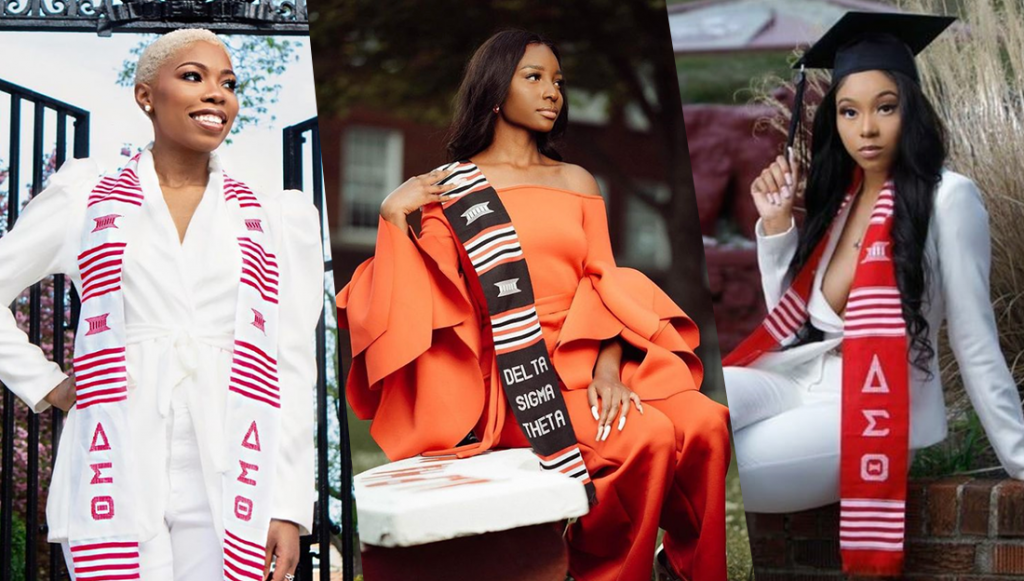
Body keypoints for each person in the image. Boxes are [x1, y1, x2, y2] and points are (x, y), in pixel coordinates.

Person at [338, 29, 730, 581]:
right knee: (648, 435)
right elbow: (426, 295)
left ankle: (690, 569)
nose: (553, 92)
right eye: (535, 77)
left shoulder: (577, 181)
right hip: (520, 381)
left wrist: (609, 368)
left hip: (594, 359)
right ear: (496, 90)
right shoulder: (452, 190)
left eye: (558, 82)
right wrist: (391, 215)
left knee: (708, 421)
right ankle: (605, 571)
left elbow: (605, 285)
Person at [0, 29, 323, 580]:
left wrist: (289, 506)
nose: (216, 94)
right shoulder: (87, 196)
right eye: (193, 77)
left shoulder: (272, 217)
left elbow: (291, 363)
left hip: (233, 455)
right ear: (146, 94)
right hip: (116, 450)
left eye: (228, 83)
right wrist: (46, 383)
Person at [722, 11, 1024, 576]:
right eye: (849, 111)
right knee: (687, 406)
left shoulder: (948, 199)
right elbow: (790, 324)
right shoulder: (838, 204)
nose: (867, 128)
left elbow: (974, 336)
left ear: (911, 110)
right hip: (798, 381)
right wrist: (778, 226)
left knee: (718, 466)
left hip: (870, 409)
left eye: (885, 107)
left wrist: (1018, 455)